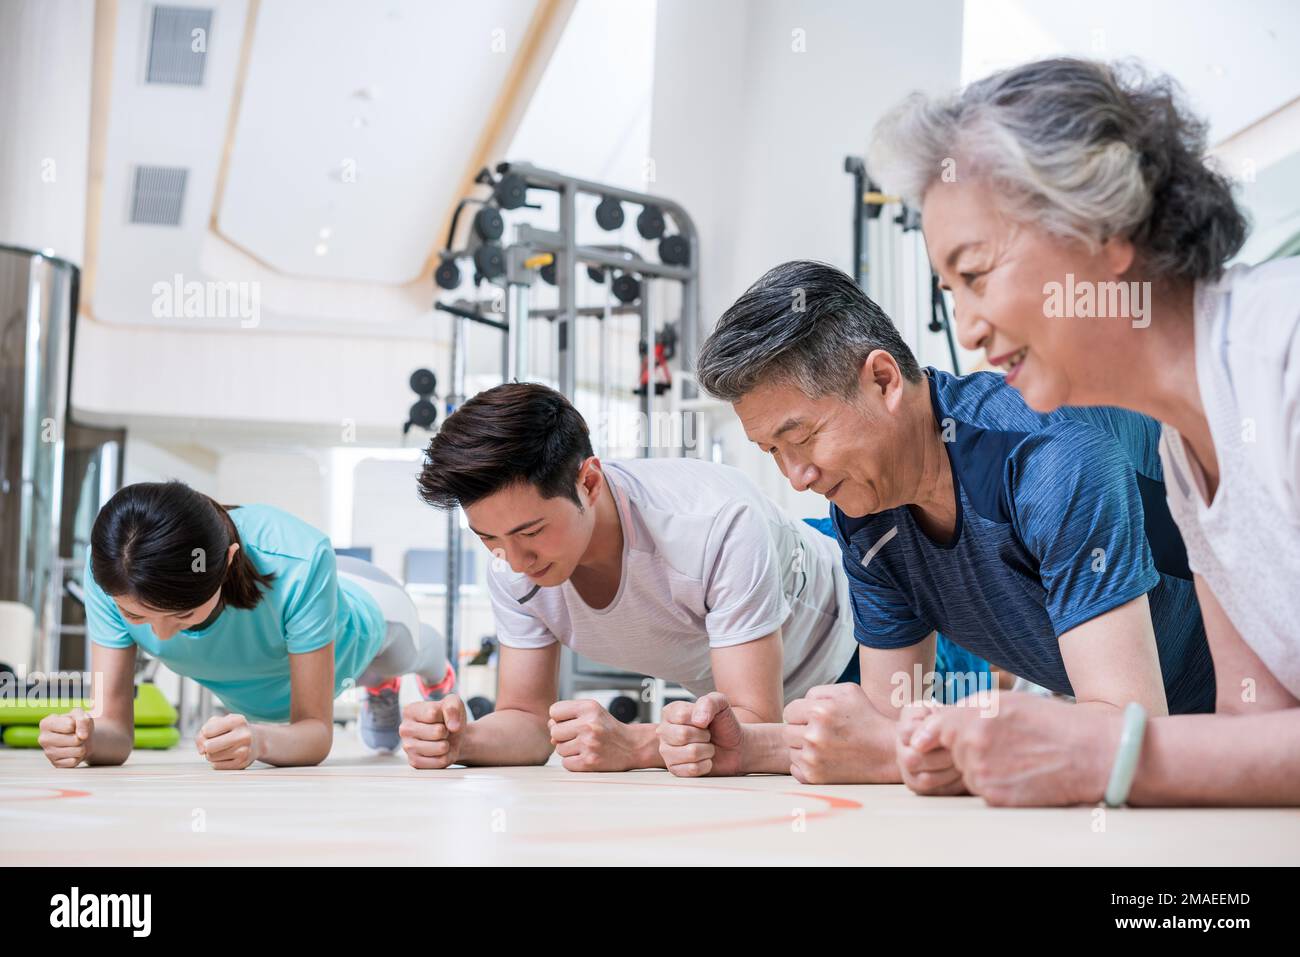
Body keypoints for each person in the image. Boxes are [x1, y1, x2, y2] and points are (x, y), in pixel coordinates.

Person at [867, 56, 1300, 805]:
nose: (967, 330)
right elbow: (1253, 727)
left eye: (976, 274)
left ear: (1104, 227)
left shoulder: (1282, 352)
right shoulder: (1185, 448)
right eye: (949, 291)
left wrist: (1112, 747)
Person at [694, 258, 1213, 787]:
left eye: (802, 438)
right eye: (773, 451)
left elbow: (1132, 728)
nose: (797, 477)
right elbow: (889, 725)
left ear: (882, 379)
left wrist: (891, 753)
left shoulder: (1046, 458)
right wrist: (748, 748)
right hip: (1160, 758)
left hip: (1249, 729)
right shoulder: (868, 518)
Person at [399, 381, 866, 776]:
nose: (516, 561)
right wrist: (463, 741)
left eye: (532, 532)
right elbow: (526, 719)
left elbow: (751, 728)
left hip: (859, 632)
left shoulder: (716, 523)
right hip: (755, 706)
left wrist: (638, 744)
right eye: (489, 538)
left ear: (590, 482)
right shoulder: (509, 563)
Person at [38, 481, 452, 770]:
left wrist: (261, 741)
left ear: (228, 561)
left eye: (184, 615)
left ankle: (420, 679)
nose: (159, 637)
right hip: (281, 667)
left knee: (411, 654)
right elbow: (116, 731)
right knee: (370, 693)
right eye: (136, 617)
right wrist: (86, 737)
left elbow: (314, 732)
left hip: (367, 621)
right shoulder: (113, 575)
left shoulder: (301, 558)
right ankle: (379, 688)